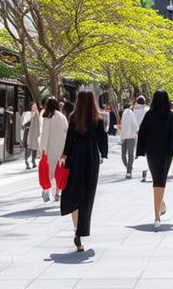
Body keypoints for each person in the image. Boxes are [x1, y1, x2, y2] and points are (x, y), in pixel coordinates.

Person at [60, 89, 109, 252]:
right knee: (88, 195)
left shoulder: (73, 117)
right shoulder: (98, 118)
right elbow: (103, 139)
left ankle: (76, 229)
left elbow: (69, 139)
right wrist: (103, 153)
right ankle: (81, 230)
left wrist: (64, 155)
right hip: (91, 158)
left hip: (75, 156)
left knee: (74, 192)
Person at [136, 89, 173, 228]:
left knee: (156, 180)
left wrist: (140, 151)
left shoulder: (149, 115)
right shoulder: (171, 115)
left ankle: (158, 211)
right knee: (161, 180)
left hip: (152, 152)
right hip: (166, 152)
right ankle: (157, 216)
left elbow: (142, 132)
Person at [39, 97, 69, 202]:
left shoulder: (47, 116)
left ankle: (46, 190)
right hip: (61, 149)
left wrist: (42, 149)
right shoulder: (62, 117)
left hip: (49, 149)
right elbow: (66, 131)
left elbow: (44, 134)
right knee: (59, 172)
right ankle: (57, 193)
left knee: (47, 172)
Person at [120, 99, 143, 179]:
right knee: (130, 155)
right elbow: (134, 123)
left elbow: (122, 125)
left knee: (123, 155)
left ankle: (128, 167)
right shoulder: (131, 113)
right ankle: (129, 171)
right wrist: (137, 131)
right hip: (131, 137)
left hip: (124, 137)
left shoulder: (123, 113)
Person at [24, 102, 41, 170]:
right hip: (28, 131)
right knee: (28, 146)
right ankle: (27, 161)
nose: (35, 107)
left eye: (36, 106)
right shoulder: (27, 113)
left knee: (34, 146)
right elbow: (24, 123)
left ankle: (33, 161)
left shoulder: (37, 114)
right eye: (33, 106)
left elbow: (38, 123)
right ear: (30, 107)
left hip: (35, 132)